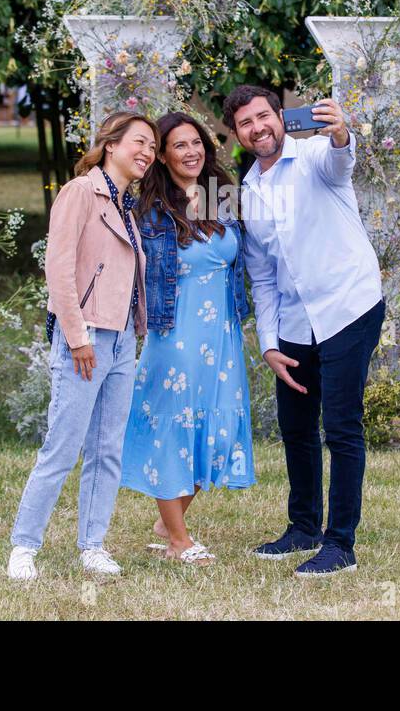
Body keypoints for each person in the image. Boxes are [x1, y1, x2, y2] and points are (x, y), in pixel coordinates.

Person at [226, 84, 386, 578]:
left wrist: (341, 133)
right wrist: (269, 344)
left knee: (340, 426)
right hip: (295, 321)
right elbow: (264, 276)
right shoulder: (247, 191)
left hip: (347, 308)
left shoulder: (317, 154)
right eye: (245, 124)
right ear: (237, 133)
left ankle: (341, 545)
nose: (258, 128)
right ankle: (303, 528)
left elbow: (342, 162)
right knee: (296, 427)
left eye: (263, 117)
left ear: (279, 115)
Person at [7, 111, 156, 582]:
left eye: (152, 146)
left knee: (107, 449)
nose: (148, 152)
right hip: (85, 337)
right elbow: (59, 267)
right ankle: (24, 548)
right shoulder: (80, 193)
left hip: (120, 342)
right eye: (139, 142)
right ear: (110, 144)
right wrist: (76, 337)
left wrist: (137, 330)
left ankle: (92, 545)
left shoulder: (126, 204)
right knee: (63, 446)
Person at [120, 111, 255, 566]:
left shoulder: (222, 196)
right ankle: (178, 540)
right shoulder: (151, 210)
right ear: (162, 154)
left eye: (196, 142)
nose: (191, 151)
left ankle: (167, 520)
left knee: (219, 430)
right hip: (174, 334)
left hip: (223, 333)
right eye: (179, 145)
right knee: (173, 427)